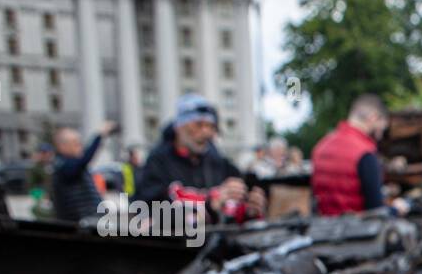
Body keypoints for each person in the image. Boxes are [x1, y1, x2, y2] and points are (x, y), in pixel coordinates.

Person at [137, 93, 265, 221]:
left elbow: (232, 215)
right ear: (179, 127)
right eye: (198, 124)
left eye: (210, 126)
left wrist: (248, 210)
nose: (206, 132)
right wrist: (209, 206)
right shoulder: (158, 162)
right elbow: (147, 213)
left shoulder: (218, 162)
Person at [311, 95, 404, 217]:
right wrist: (396, 209)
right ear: (373, 118)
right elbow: (376, 212)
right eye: (382, 128)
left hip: (324, 229)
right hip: (357, 231)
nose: (381, 135)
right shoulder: (365, 153)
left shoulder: (320, 147)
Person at [50, 120, 117, 223]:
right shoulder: (63, 165)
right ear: (62, 146)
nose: (80, 146)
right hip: (82, 224)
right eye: (75, 143)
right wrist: (100, 135)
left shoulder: (69, 165)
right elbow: (84, 160)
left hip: (91, 220)